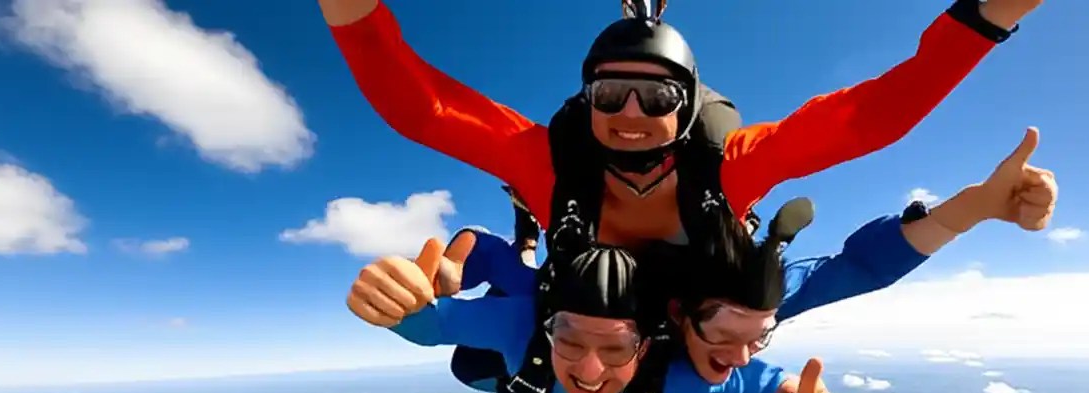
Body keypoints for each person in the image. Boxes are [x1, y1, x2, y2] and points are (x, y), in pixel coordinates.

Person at [319, 0, 1041, 258]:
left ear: (685, 106)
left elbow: (869, 117)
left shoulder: (731, 161)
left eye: (654, 96)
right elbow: (424, 111)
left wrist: (988, 17)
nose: (630, 115)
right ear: (587, 99)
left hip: (692, 274)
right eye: (609, 94)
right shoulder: (549, 159)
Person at [420, 126, 1058, 386]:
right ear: (680, 309)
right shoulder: (598, 298)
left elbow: (860, 270)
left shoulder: (750, 303)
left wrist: (972, 208)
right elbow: (487, 255)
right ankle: (533, 227)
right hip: (545, 330)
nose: (746, 355)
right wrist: (450, 269)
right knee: (480, 357)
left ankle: (531, 229)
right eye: (730, 335)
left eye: (759, 336)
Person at [347, 241, 845, 393]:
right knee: (467, 363)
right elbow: (428, 322)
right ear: (548, 328)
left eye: (615, 348)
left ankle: (527, 253)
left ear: (647, 345)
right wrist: (392, 295)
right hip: (522, 372)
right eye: (569, 340)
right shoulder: (521, 322)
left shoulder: (681, 374)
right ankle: (527, 245)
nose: (589, 369)